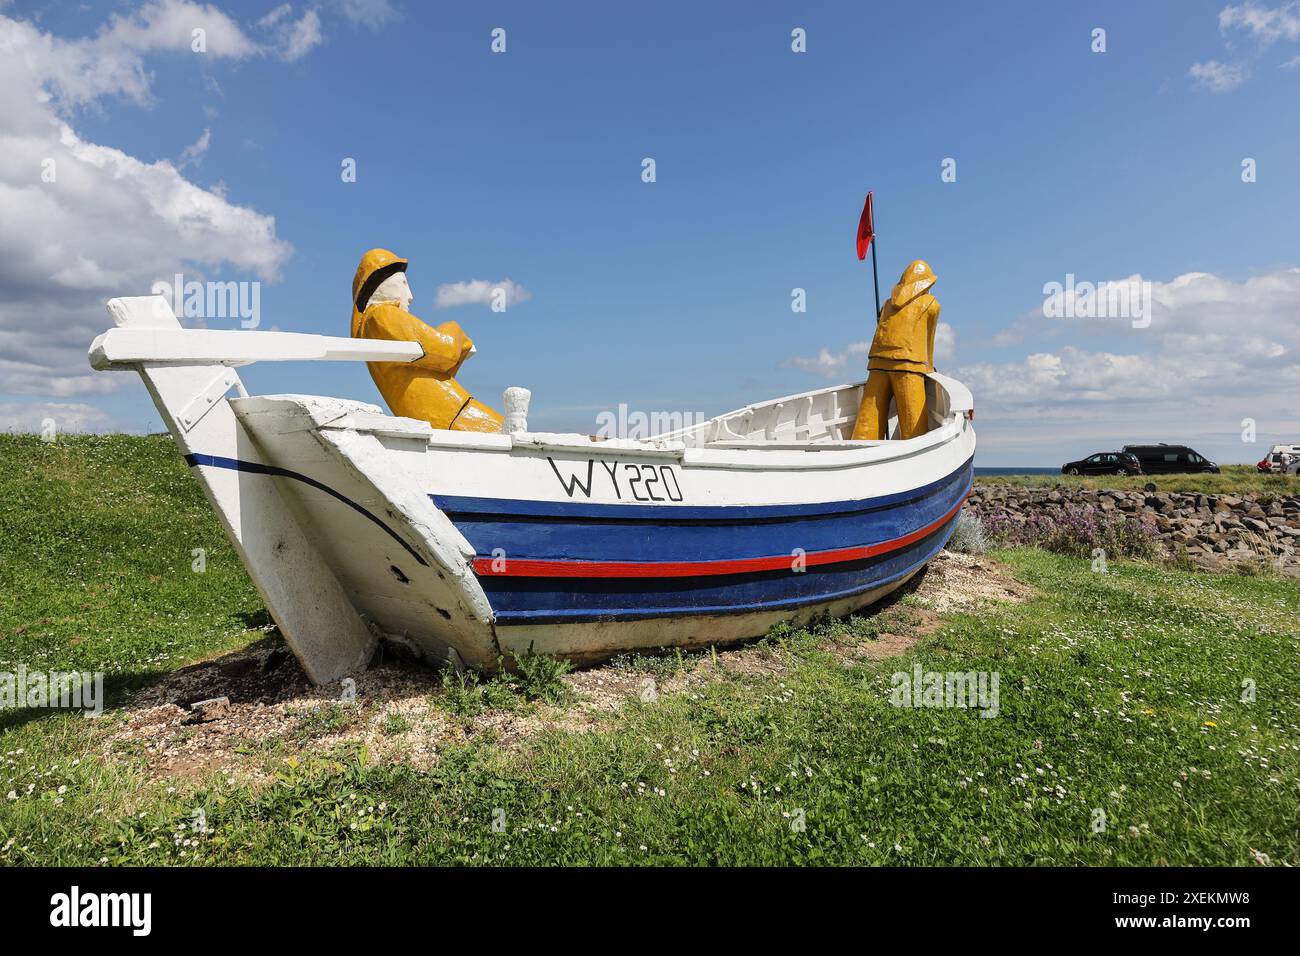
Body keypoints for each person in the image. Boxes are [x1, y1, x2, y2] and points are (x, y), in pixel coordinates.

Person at [350, 248, 502, 431]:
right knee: (507, 433)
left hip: (446, 417)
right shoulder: (383, 314)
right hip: (454, 415)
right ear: (381, 286)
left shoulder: (374, 326)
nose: (411, 296)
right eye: (403, 284)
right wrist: (455, 329)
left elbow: (442, 367)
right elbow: (446, 351)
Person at [852, 259, 940, 441]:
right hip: (909, 366)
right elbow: (928, 341)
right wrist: (929, 367)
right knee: (913, 424)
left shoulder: (887, 304)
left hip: (878, 362)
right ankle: (913, 458)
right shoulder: (931, 304)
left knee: (868, 419)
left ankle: (860, 452)